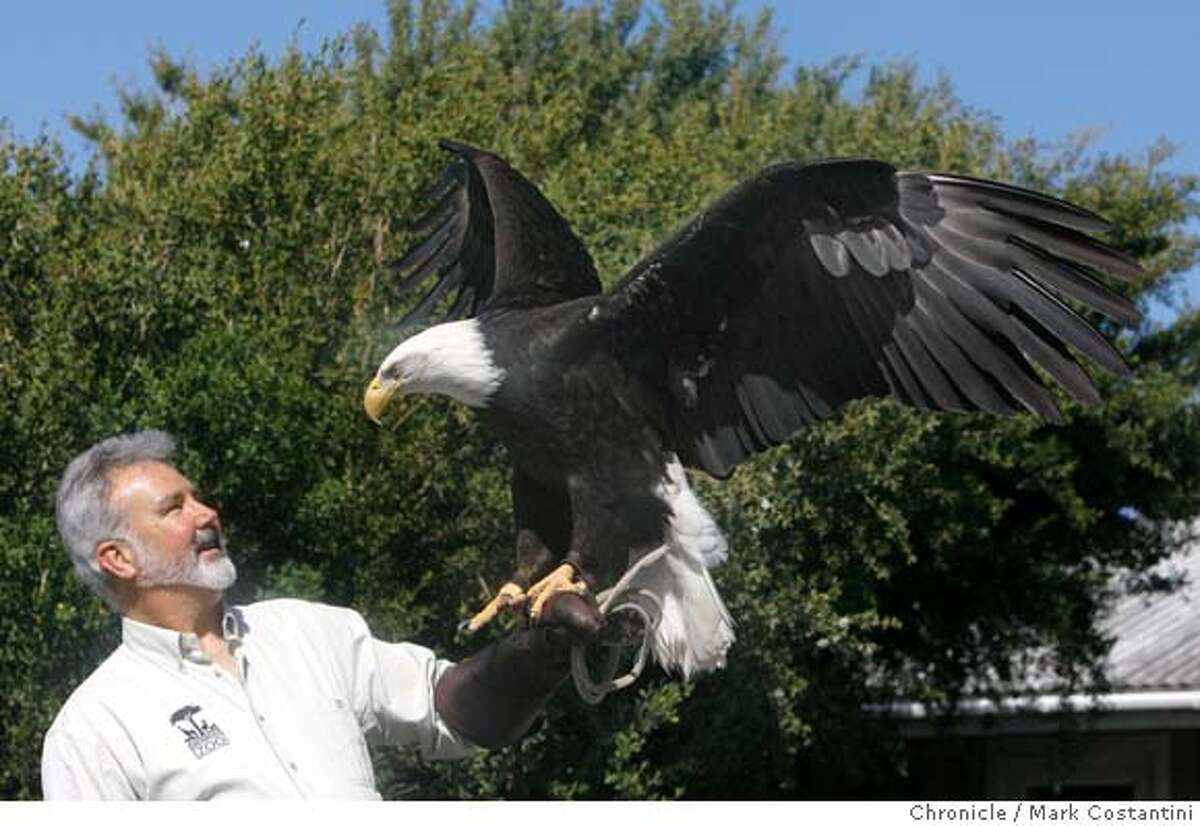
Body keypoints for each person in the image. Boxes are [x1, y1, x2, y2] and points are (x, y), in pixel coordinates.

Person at [41, 429, 600, 800]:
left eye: (197, 496)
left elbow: (450, 710)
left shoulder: (306, 631)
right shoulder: (94, 730)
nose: (206, 512)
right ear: (118, 559)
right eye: (173, 508)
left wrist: (539, 652)